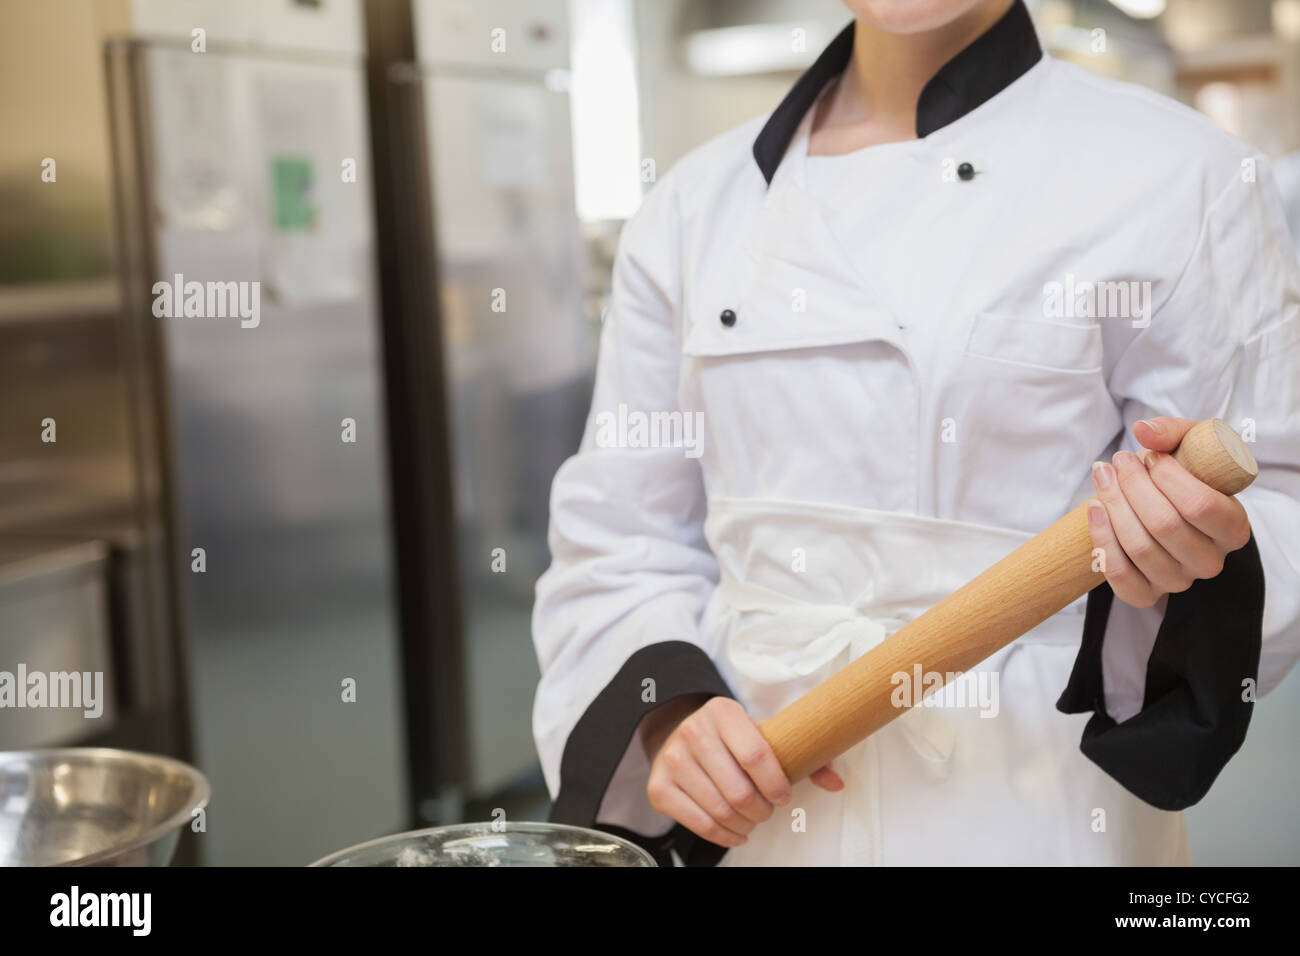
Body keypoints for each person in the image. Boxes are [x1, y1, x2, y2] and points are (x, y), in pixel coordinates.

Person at [532, 0, 1300, 865]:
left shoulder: (1181, 174)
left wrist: (1190, 559)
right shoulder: (690, 206)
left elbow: (1274, 494)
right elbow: (620, 541)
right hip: (763, 796)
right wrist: (668, 713)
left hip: (1029, 805)